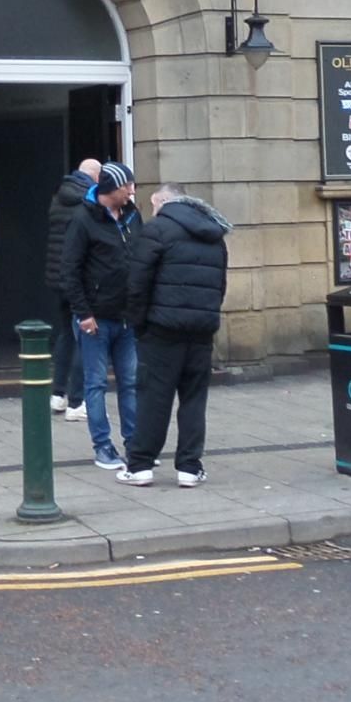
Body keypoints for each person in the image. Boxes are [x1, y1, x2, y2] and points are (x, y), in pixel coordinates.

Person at [119, 185, 230, 488]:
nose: (153, 211)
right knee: (194, 398)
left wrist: (139, 324)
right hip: (201, 329)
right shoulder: (214, 233)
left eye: (154, 205)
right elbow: (220, 285)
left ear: (165, 202)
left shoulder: (157, 231)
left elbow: (137, 283)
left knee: (154, 397)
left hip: (161, 329)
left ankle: (140, 465)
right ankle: (190, 468)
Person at [59, 162, 140, 470]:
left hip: (127, 316)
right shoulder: (82, 219)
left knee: (130, 382)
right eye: (127, 186)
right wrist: (83, 313)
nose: (132, 191)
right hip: (96, 318)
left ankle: (135, 445)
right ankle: (103, 447)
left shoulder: (132, 215)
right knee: (95, 384)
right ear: (110, 189)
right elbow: (71, 270)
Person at [40, 157, 99, 420]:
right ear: (95, 177)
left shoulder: (59, 197)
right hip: (79, 279)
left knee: (66, 334)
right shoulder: (87, 201)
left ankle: (58, 395)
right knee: (83, 337)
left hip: (58, 278)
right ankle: (77, 401)